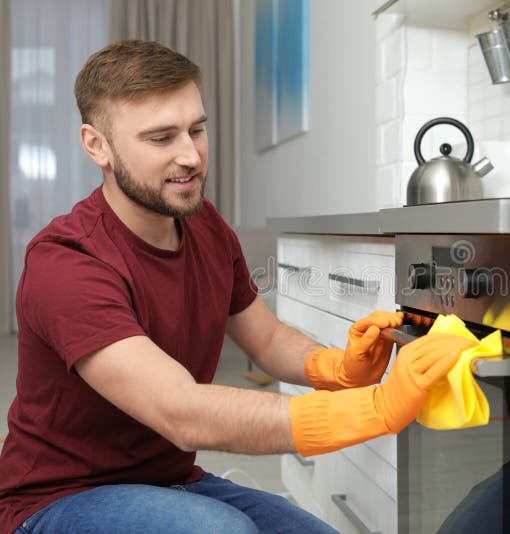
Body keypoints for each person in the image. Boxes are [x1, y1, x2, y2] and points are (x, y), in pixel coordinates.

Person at [0, 40, 475, 534]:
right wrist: (372, 408)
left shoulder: (204, 224)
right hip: (57, 500)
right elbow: (180, 411)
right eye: (161, 138)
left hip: (170, 479)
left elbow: (266, 339)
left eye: (197, 130)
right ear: (96, 145)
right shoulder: (67, 262)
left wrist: (336, 367)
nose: (190, 156)